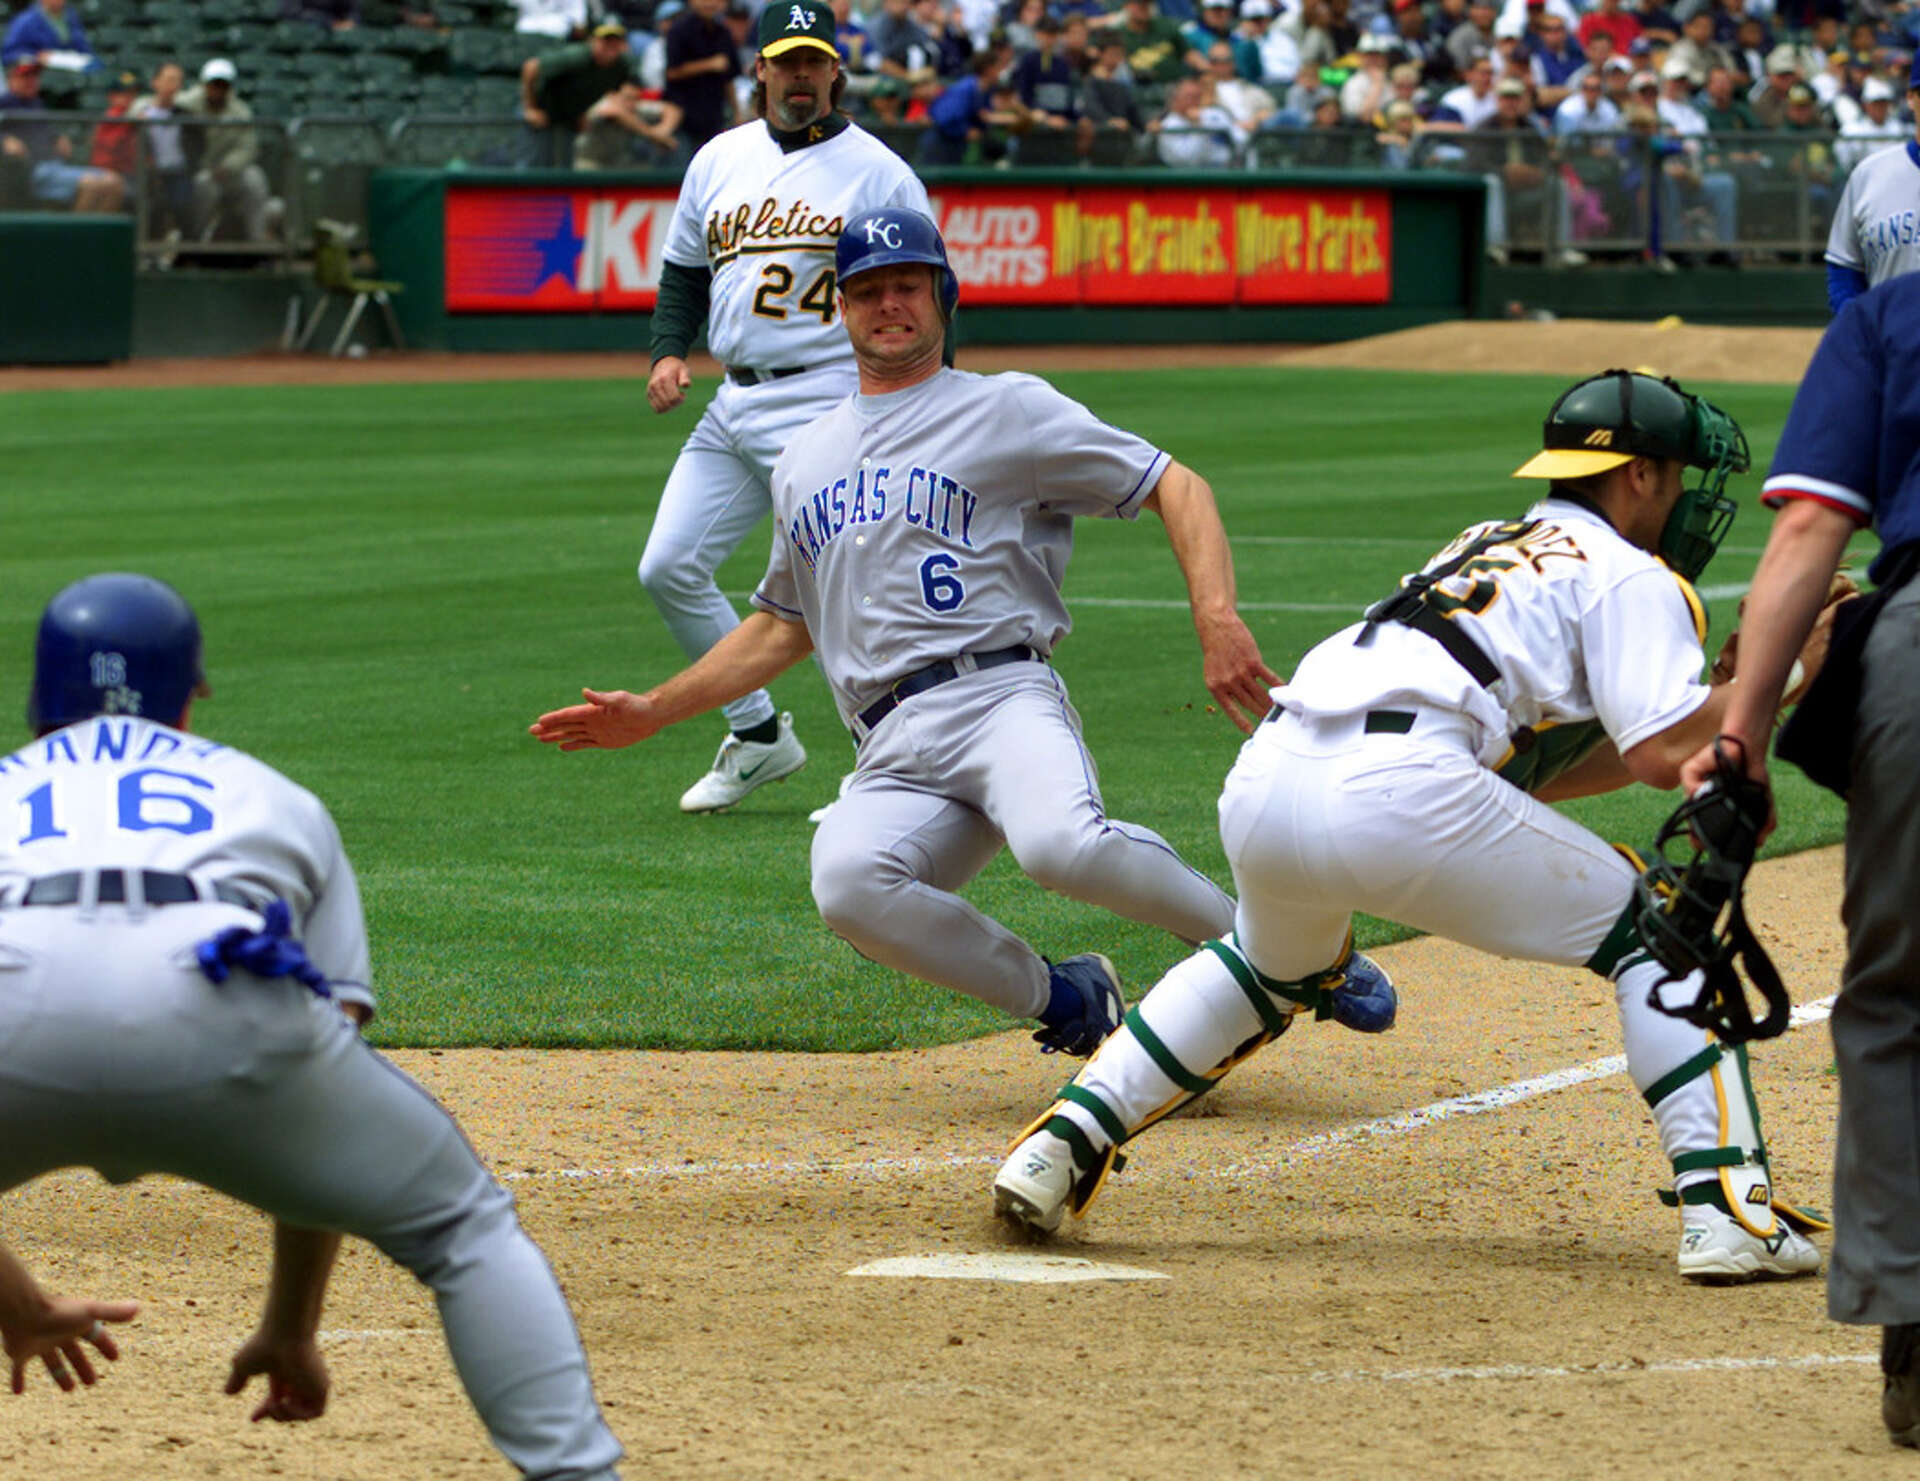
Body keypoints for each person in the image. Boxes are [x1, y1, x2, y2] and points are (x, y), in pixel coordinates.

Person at [993, 370, 1831, 1288]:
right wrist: (1779, 679)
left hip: (1274, 776)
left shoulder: (1489, 540)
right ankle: (1727, 1214)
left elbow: (1542, 776)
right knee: (1660, 933)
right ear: (1636, 477)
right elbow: (1664, 753)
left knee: (1264, 967)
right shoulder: (1628, 572)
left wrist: (1720, 700)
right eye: (1674, 476)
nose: (1681, 500)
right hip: (1403, 787)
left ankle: (1059, 1144)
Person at [535, 208, 1396, 1059]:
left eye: (906, 283)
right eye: (866, 289)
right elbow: (779, 627)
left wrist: (1216, 617)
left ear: (942, 294)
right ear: (840, 306)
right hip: (887, 744)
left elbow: (1177, 484)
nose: (888, 303)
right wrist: (654, 710)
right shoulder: (804, 459)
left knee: (1063, 845)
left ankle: (1299, 954)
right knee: (848, 885)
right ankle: (1067, 996)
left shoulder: (1007, 409)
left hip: (1000, 697)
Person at [0, 573, 624, 1480]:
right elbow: (327, 1035)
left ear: (40, 694)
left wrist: (13, 1301)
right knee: (464, 1229)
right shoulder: (269, 794)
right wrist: (291, 1326)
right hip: (221, 1008)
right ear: (187, 697)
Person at [1685, 271, 1920, 1449]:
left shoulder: (1894, 310)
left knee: (1899, 1004)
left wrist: (1742, 738)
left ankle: (1917, 1323)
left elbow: (1812, 526)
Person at [636, 0, 931, 817]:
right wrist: (668, 350)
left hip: (831, 390)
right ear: (759, 69)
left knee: (856, 586)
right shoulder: (718, 157)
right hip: (733, 397)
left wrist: (922, 399)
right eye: (784, 61)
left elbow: (923, 291)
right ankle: (760, 735)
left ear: (836, 70)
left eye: (813, 61)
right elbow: (685, 271)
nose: (799, 76)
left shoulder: (878, 170)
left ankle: (888, 766)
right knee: (669, 567)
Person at [1827, 58, 1920, 309]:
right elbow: (1844, 269)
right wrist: (1860, 329)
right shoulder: (1869, 174)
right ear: (1911, 98)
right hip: (1890, 342)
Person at [0, 57, 123, 213]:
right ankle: (73, 236)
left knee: (115, 183)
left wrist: (58, 137)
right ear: (11, 79)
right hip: (33, 171)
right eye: (24, 76)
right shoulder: (5, 102)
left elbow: (47, 132)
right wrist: (4, 139)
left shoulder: (37, 103)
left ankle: (97, 235)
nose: (31, 80)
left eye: (34, 76)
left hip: (56, 166)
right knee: (92, 185)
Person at [521, 21, 640, 168]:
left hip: (569, 117)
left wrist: (584, 113)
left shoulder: (621, 65)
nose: (611, 46)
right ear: (593, 41)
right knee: (533, 166)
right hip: (542, 108)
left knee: (564, 168)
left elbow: (617, 91)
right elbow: (531, 67)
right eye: (606, 41)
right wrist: (530, 108)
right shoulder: (576, 56)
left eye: (616, 41)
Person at [179, 59, 272, 244]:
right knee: (204, 184)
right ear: (204, 84)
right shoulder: (186, 105)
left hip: (229, 170)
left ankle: (257, 244)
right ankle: (192, 243)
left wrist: (227, 167)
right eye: (214, 84)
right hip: (198, 170)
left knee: (255, 179)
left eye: (223, 85)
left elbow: (247, 147)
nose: (218, 90)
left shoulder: (240, 111)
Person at [662, 0, 742, 152]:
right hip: (683, 118)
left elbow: (728, 78)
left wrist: (737, 112)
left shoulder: (724, 33)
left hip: (713, 115)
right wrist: (709, 64)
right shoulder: (679, 30)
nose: (709, 3)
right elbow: (672, 72)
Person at [130, 61, 192, 245]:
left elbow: (197, 146)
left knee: (185, 204)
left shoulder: (186, 114)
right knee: (151, 206)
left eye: (177, 81)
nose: (173, 85)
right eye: (169, 80)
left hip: (179, 172)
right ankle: (147, 253)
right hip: (149, 173)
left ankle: (187, 254)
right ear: (155, 82)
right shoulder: (141, 112)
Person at [574, 78, 683, 167]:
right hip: (589, 164)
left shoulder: (635, 107)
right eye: (627, 98)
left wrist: (663, 130)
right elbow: (616, 113)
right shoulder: (603, 104)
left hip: (617, 166)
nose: (630, 104)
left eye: (635, 98)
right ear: (612, 95)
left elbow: (673, 110)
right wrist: (655, 136)